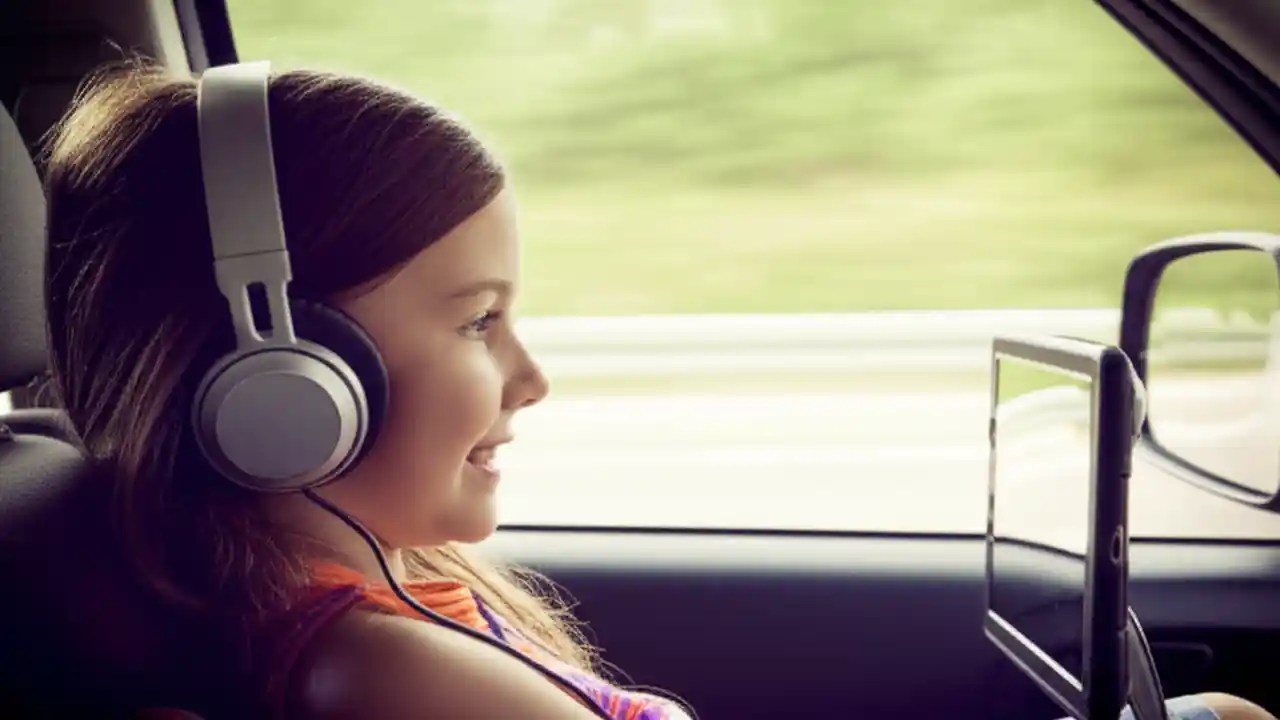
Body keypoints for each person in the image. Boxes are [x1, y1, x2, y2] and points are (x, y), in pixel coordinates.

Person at [40, 62, 1275, 720]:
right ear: (287, 381)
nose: (531, 376)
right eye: (479, 322)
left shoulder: (397, 597)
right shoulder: (386, 678)